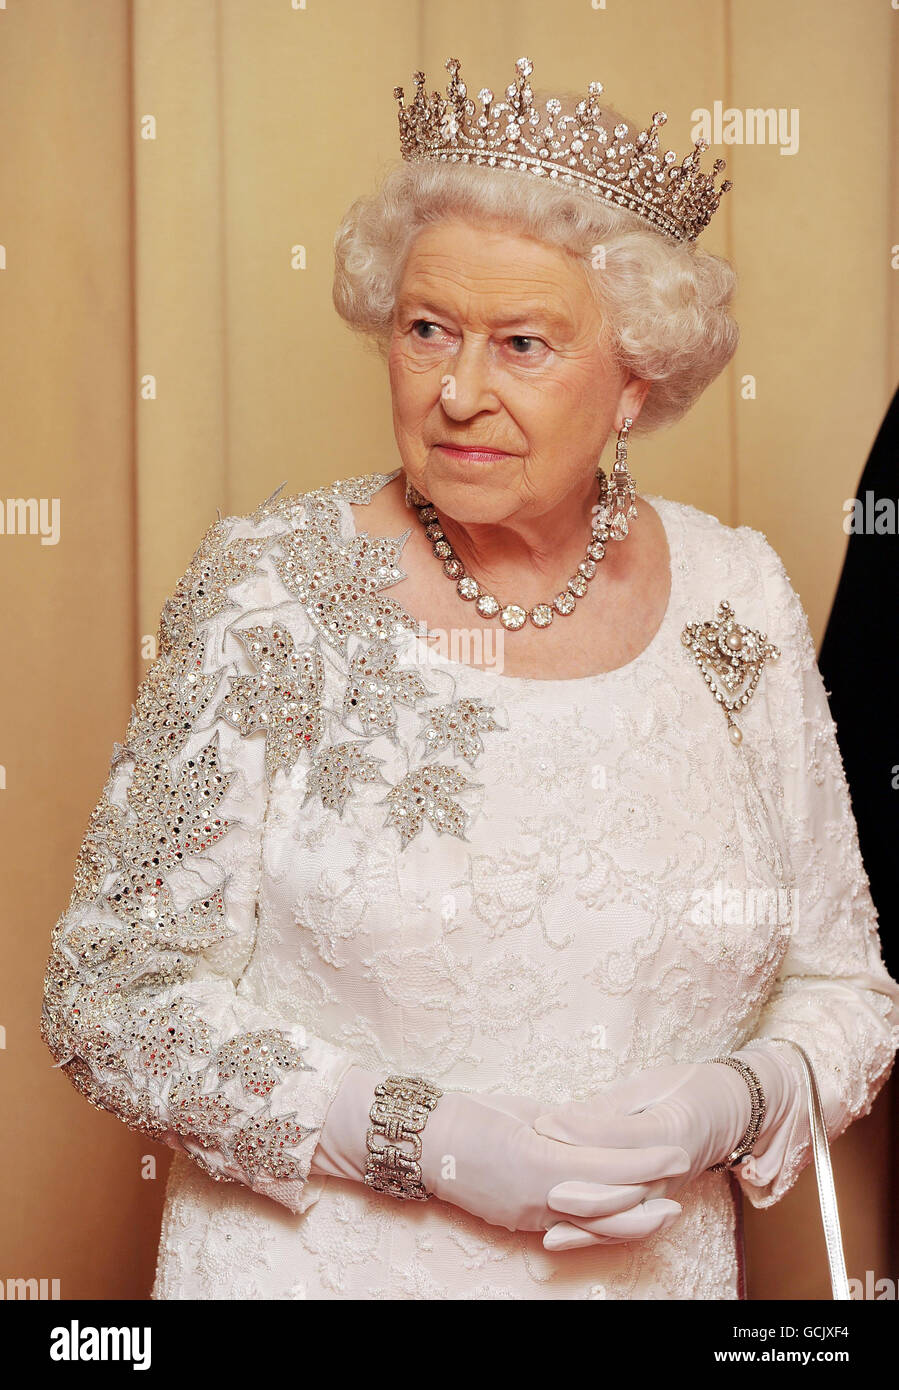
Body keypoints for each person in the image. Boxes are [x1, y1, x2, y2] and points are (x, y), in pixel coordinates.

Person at [41, 55, 899, 1300]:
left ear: (635, 380)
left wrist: (729, 1101)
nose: (456, 391)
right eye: (425, 329)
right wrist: (418, 1139)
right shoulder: (272, 590)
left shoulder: (737, 598)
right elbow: (110, 990)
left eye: (522, 345)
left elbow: (843, 985)